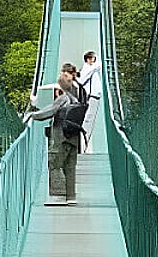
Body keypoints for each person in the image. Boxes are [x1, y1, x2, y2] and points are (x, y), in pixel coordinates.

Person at [22, 63, 83, 205]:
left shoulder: (63, 98)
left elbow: (50, 111)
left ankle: (57, 197)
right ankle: (70, 197)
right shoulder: (76, 97)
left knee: (55, 163)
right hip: (73, 136)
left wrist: (32, 115)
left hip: (61, 136)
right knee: (70, 166)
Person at [77, 51, 102, 153]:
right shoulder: (87, 69)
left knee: (90, 121)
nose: (94, 61)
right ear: (88, 60)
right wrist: (93, 69)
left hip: (96, 96)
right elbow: (81, 80)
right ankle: (83, 146)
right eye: (93, 59)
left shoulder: (94, 68)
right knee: (88, 122)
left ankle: (84, 145)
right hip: (92, 97)